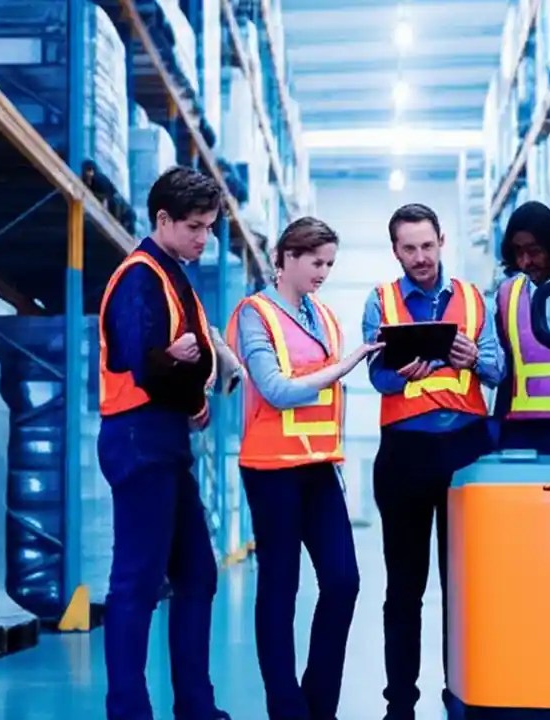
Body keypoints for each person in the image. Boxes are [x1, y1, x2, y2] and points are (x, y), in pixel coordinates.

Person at [224, 217, 382, 720]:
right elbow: (273, 388)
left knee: (343, 581)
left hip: (318, 469)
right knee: (280, 587)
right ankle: (286, 707)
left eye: (330, 263)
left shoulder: (327, 319)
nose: (324, 271)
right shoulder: (255, 315)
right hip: (271, 469)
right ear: (285, 258)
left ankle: (319, 705)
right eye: (316, 261)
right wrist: (341, 367)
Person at [96, 166, 232, 720]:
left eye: (209, 227)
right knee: (137, 581)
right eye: (196, 227)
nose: (205, 238)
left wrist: (193, 373)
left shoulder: (177, 277)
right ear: (162, 220)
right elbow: (147, 364)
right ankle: (128, 711)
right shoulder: (139, 277)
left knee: (197, 573)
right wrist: (186, 377)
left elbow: (187, 357)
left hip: (167, 439)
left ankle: (196, 707)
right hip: (138, 436)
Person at [360, 203, 505, 720]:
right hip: (404, 456)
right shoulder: (380, 301)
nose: (420, 258)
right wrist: (405, 374)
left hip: (466, 453)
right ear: (395, 250)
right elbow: (376, 376)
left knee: (462, 587)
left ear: (441, 240)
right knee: (404, 588)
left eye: (427, 245)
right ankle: (400, 703)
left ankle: (459, 694)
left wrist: (475, 360)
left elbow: (497, 368)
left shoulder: (472, 299)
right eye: (408, 249)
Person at [491, 200, 550, 453]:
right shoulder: (506, 296)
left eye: (535, 250)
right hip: (521, 430)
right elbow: (503, 368)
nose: (526, 261)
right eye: (518, 252)